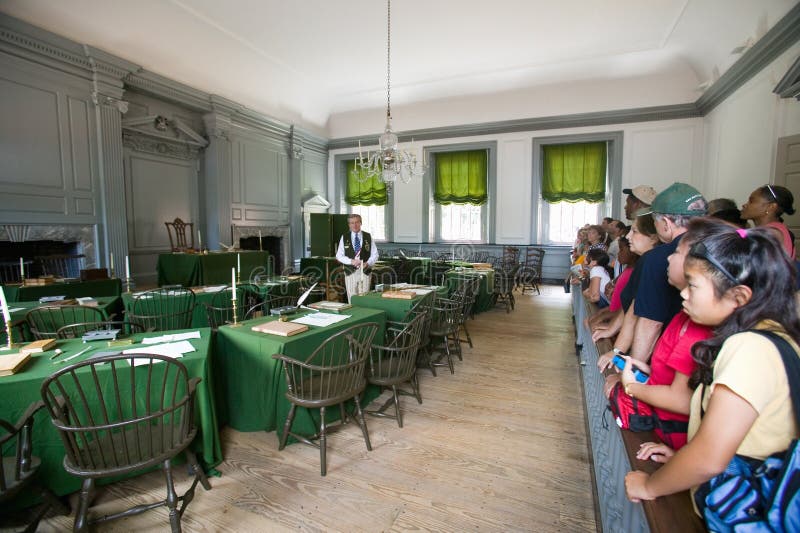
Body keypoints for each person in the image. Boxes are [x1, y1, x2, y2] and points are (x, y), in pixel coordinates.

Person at [625, 225, 800, 508]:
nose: (684, 295)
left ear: (738, 297)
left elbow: (709, 458)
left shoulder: (750, 348)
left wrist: (649, 485)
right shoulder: (774, 336)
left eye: (693, 286)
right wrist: (682, 460)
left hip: (739, 506)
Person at [612, 219, 719, 450]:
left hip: (673, 434)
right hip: (669, 434)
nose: (668, 257)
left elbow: (683, 400)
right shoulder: (684, 316)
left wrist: (630, 386)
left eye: (677, 252)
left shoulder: (696, 329)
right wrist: (644, 371)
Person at [592, 211, 661, 345]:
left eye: (634, 231)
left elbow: (650, 321)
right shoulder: (643, 263)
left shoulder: (652, 265)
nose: (628, 236)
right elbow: (630, 307)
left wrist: (618, 348)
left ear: (653, 237)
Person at [740, 184, 796, 257]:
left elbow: (734, 235)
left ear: (770, 207)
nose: (744, 205)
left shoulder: (771, 233)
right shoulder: (777, 228)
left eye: (751, 201)